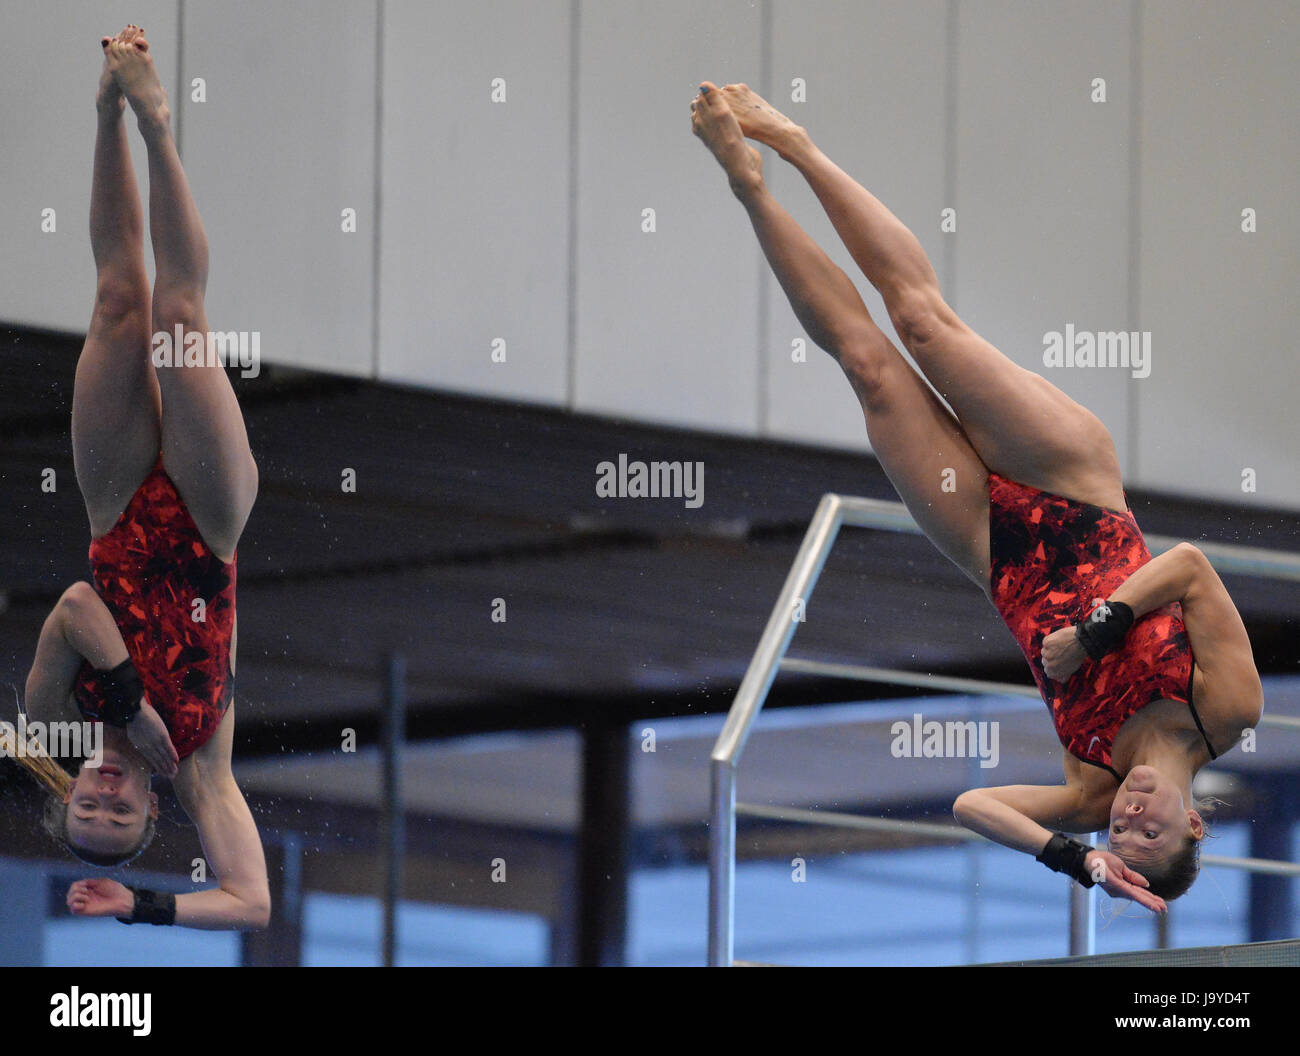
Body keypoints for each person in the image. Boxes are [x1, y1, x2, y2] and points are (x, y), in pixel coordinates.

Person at [690, 81, 1263, 910]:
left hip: (992, 549)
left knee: (869, 366)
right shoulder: (1226, 710)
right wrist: (1101, 629)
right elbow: (1192, 568)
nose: (1132, 816)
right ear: (1197, 824)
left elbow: (974, 806)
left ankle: (747, 184)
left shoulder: (1091, 793)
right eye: (1154, 829)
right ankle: (793, 143)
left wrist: (1080, 860)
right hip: (1073, 486)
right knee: (921, 323)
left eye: (1125, 837)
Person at [15, 26, 268, 929]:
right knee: (178, 316)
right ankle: (158, 124)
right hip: (208, 522)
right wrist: (141, 910)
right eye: (121, 813)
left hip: (116, 504)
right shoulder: (197, 770)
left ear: (74, 785)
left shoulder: (52, 711)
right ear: (151, 811)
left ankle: (106, 112)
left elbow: (78, 607)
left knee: (118, 299)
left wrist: (123, 694)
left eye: (89, 803)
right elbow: (252, 904)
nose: (108, 795)